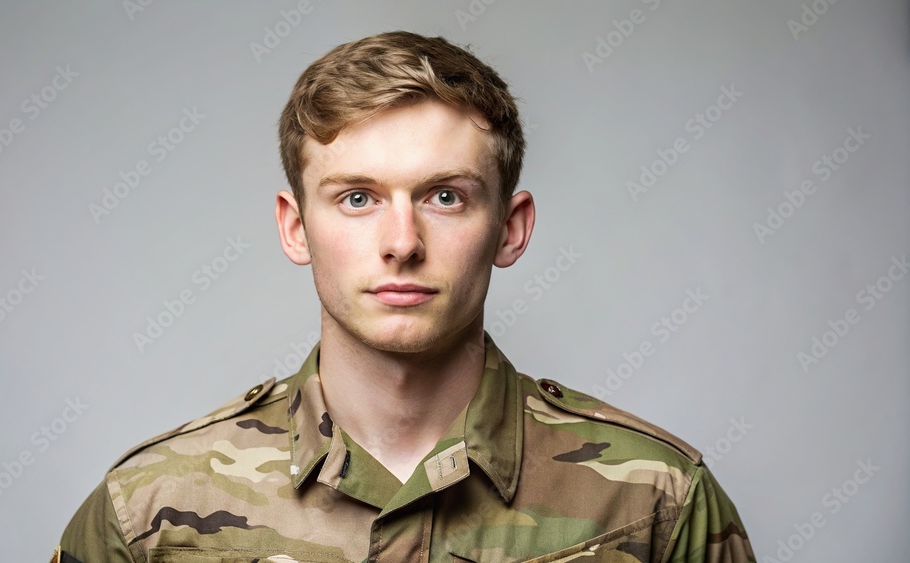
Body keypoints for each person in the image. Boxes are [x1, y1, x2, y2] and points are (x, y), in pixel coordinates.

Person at [54, 31, 755, 562]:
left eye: (445, 196)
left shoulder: (654, 499)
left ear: (509, 230)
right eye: (357, 198)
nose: (401, 241)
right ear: (296, 228)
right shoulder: (153, 511)